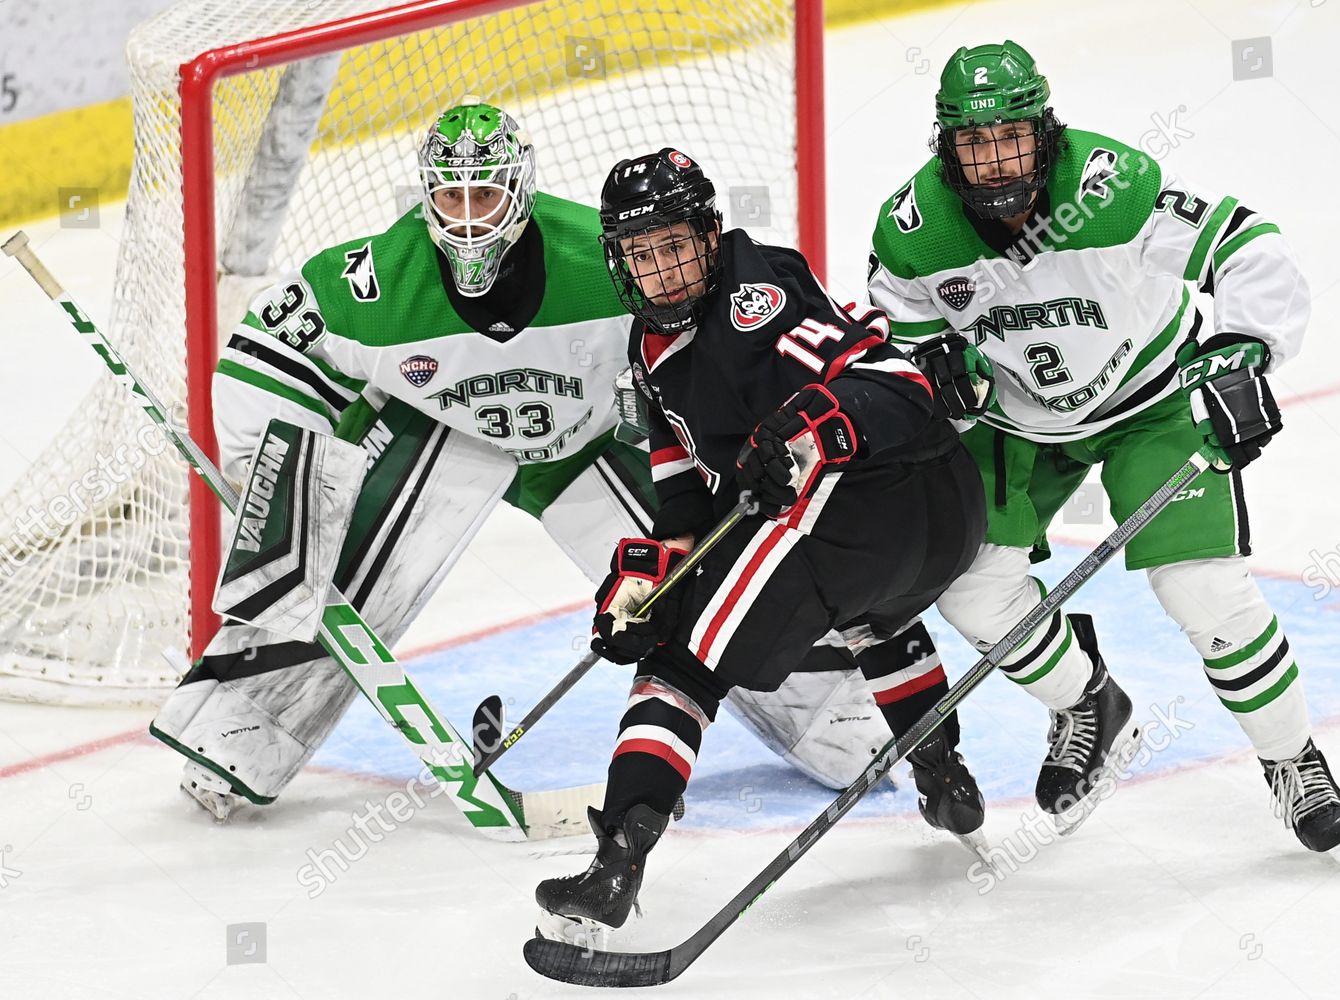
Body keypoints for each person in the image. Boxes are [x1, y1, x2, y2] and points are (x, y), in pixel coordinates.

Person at [150, 101, 895, 820]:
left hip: (592, 442)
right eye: (450, 193)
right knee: (323, 560)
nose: (467, 215)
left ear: (520, 190)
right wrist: (276, 474)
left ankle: (833, 715)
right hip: (440, 439)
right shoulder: (375, 278)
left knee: (707, 567)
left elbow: (720, 326)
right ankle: (236, 733)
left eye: (485, 193)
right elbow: (267, 350)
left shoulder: (601, 260)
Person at [867, 42, 1340, 851]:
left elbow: (1243, 243)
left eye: (1011, 136)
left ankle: (1292, 757)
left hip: (1150, 402)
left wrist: (1244, 345)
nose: (993, 161)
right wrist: (928, 367)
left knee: (1205, 593)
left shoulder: (1110, 186)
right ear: (944, 147)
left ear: (1045, 131)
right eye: (972, 142)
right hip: (1014, 420)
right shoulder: (915, 228)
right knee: (971, 591)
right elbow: (902, 322)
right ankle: (1089, 702)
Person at [533, 147, 989, 939]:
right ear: (619, 263)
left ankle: (616, 866)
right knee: (873, 619)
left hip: (884, 495)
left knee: (680, 662)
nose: (662, 270)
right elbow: (682, 500)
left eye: (674, 245)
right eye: (641, 255)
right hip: (919, 533)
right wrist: (647, 578)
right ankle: (943, 772)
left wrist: (811, 428)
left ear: (710, 235)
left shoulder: (755, 294)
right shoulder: (652, 354)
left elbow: (895, 386)